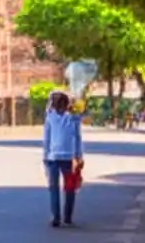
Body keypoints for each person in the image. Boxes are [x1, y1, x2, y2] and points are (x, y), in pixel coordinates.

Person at [42, 90, 84, 227]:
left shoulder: (50, 117)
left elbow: (46, 139)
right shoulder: (74, 118)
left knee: (54, 188)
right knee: (70, 188)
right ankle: (68, 217)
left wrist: (45, 156)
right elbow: (78, 138)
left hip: (53, 157)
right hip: (68, 157)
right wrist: (78, 156)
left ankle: (56, 217)